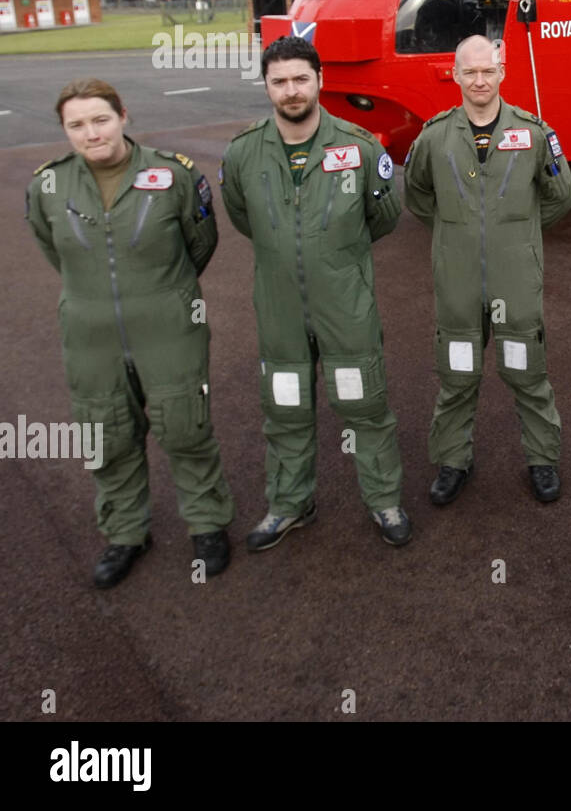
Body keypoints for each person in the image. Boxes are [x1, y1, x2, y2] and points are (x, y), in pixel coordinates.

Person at [26, 79, 235, 587]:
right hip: (90, 333)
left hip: (168, 326)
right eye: (76, 125)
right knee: (106, 434)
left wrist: (163, 293)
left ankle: (207, 526)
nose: (90, 133)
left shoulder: (173, 174)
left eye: (100, 119)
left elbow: (199, 243)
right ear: (66, 131)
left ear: (123, 116)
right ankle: (125, 533)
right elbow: (55, 252)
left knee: (185, 428)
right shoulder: (47, 187)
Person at [220, 37, 410, 549]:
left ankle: (384, 500)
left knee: (366, 407)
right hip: (279, 311)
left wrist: (332, 256)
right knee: (284, 411)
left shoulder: (361, 148)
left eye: (301, 79)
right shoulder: (242, 154)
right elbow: (244, 218)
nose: (291, 91)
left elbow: (384, 217)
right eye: (279, 81)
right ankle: (288, 505)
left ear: (320, 80)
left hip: (345, 307)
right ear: (266, 87)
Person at [404, 35, 571, 504]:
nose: (480, 80)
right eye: (470, 72)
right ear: (455, 75)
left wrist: (516, 238)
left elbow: (561, 197)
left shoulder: (534, 132)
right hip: (456, 284)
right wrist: (456, 232)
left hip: (516, 282)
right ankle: (452, 461)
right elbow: (417, 195)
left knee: (528, 373)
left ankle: (542, 460)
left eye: (488, 70)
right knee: (457, 376)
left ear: (502, 72)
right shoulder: (434, 136)